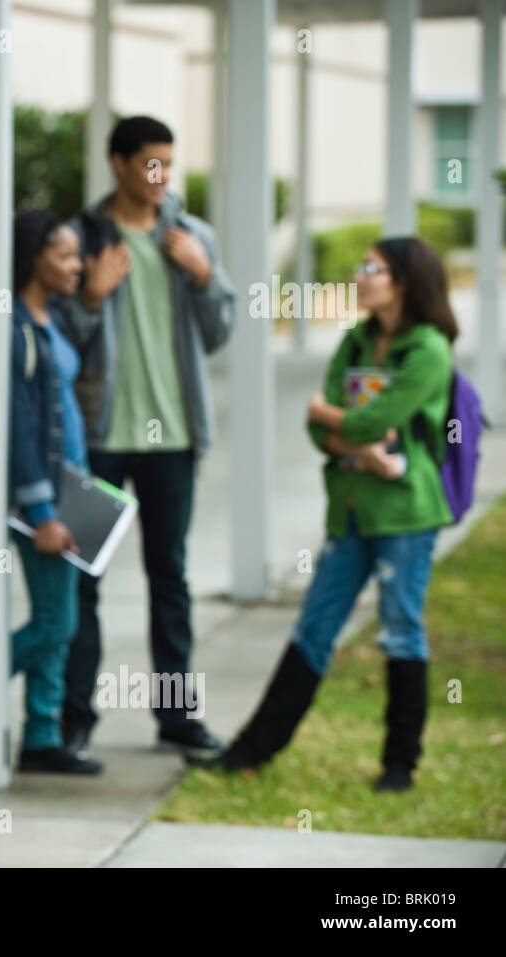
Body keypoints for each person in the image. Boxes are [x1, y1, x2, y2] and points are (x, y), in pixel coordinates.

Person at [190, 237, 457, 792]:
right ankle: (251, 751)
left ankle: (399, 767)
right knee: (314, 628)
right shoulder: (356, 340)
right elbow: (325, 429)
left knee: (401, 631)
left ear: (404, 281)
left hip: (406, 514)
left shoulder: (429, 349)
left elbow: (370, 418)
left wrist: (338, 421)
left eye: (372, 268)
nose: (360, 276)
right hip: (352, 510)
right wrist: (353, 440)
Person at [53, 115, 236, 761]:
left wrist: (204, 276)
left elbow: (220, 333)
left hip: (173, 437)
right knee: (82, 581)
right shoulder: (83, 239)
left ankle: (178, 717)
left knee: (171, 577)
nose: (162, 176)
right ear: (119, 163)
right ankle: (73, 720)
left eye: (169, 163)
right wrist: (93, 296)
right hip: (98, 437)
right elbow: (59, 337)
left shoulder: (192, 237)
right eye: (150, 163)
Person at [7, 209, 102, 775]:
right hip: (39, 499)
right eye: (65, 255)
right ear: (34, 256)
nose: (78, 265)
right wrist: (41, 509)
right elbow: (19, 424)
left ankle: (42, 735)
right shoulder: (14, 325)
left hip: (71, 489)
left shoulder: (52, 315)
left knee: (59, 616)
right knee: (55, 623)